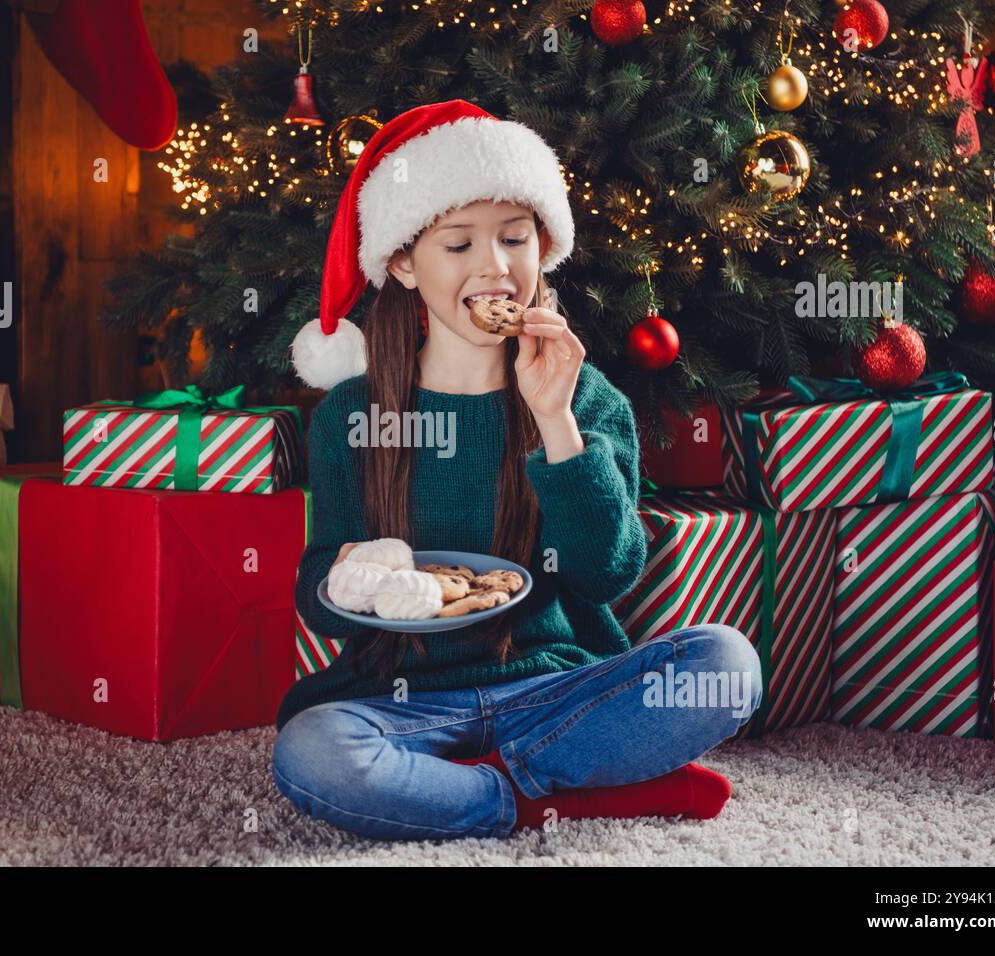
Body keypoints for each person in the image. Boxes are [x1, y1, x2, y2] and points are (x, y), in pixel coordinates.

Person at [273, 99, 763, 841]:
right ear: (404, 263)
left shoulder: (586, 396)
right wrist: (340, 575)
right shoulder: (351, 415)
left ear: (544, 245)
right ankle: (546, 797)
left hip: (555, 688)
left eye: (514, 237)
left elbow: (607, 575)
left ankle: (486, 787)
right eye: (458, 244)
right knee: (312, 751)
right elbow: (316, 599)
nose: (495, 268)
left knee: (726, 664)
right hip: (401, 702)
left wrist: (556, 423)